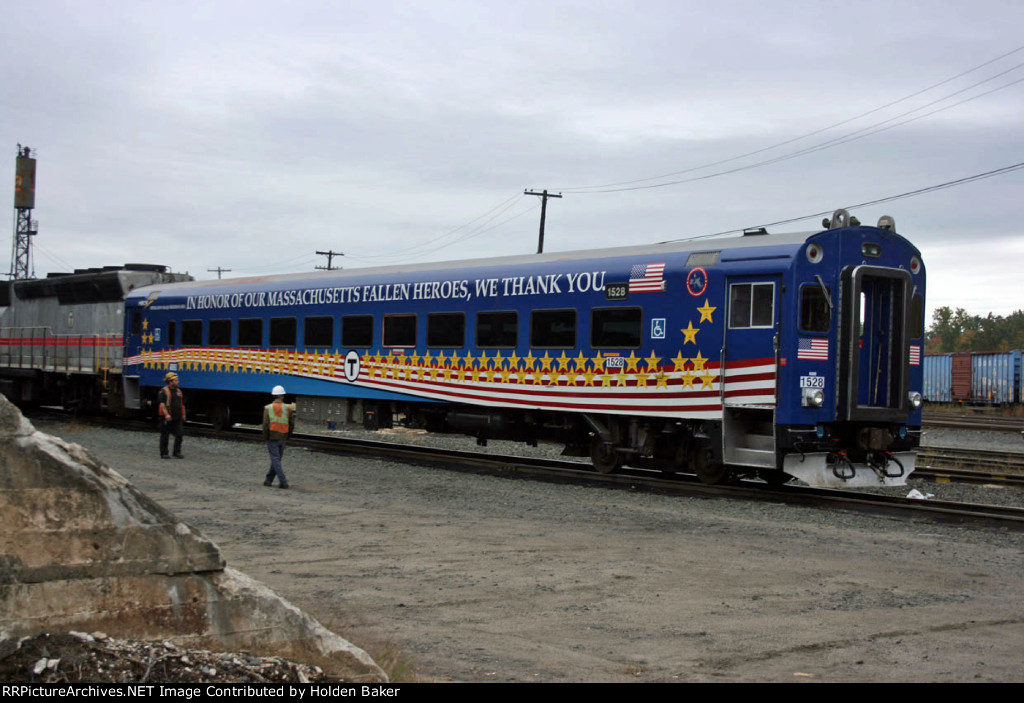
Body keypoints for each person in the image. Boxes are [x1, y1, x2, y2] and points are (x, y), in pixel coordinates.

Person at [262, 384, 295, 488]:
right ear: (281, 396)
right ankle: (268, 480)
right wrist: (288, 435)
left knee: (275, 459)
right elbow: (291, 423)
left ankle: (283, 482)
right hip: (283, 436)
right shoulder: (288, 408)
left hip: (272, 436)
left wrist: (265, 437)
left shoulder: (268, 408)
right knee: (277, 459)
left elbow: (265, 424)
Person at [158, 372, 186, 459]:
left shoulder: (179, 391)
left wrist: (183, 414)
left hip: (177, 417)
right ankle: (164, 453)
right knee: (165, 435)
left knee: (180, 434)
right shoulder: (164, 391)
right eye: (176, 380)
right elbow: (162, 405)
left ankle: (176, 451)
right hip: (167, 417)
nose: (178, 382)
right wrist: (166, 415)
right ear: (170, 382)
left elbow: (181, 404)